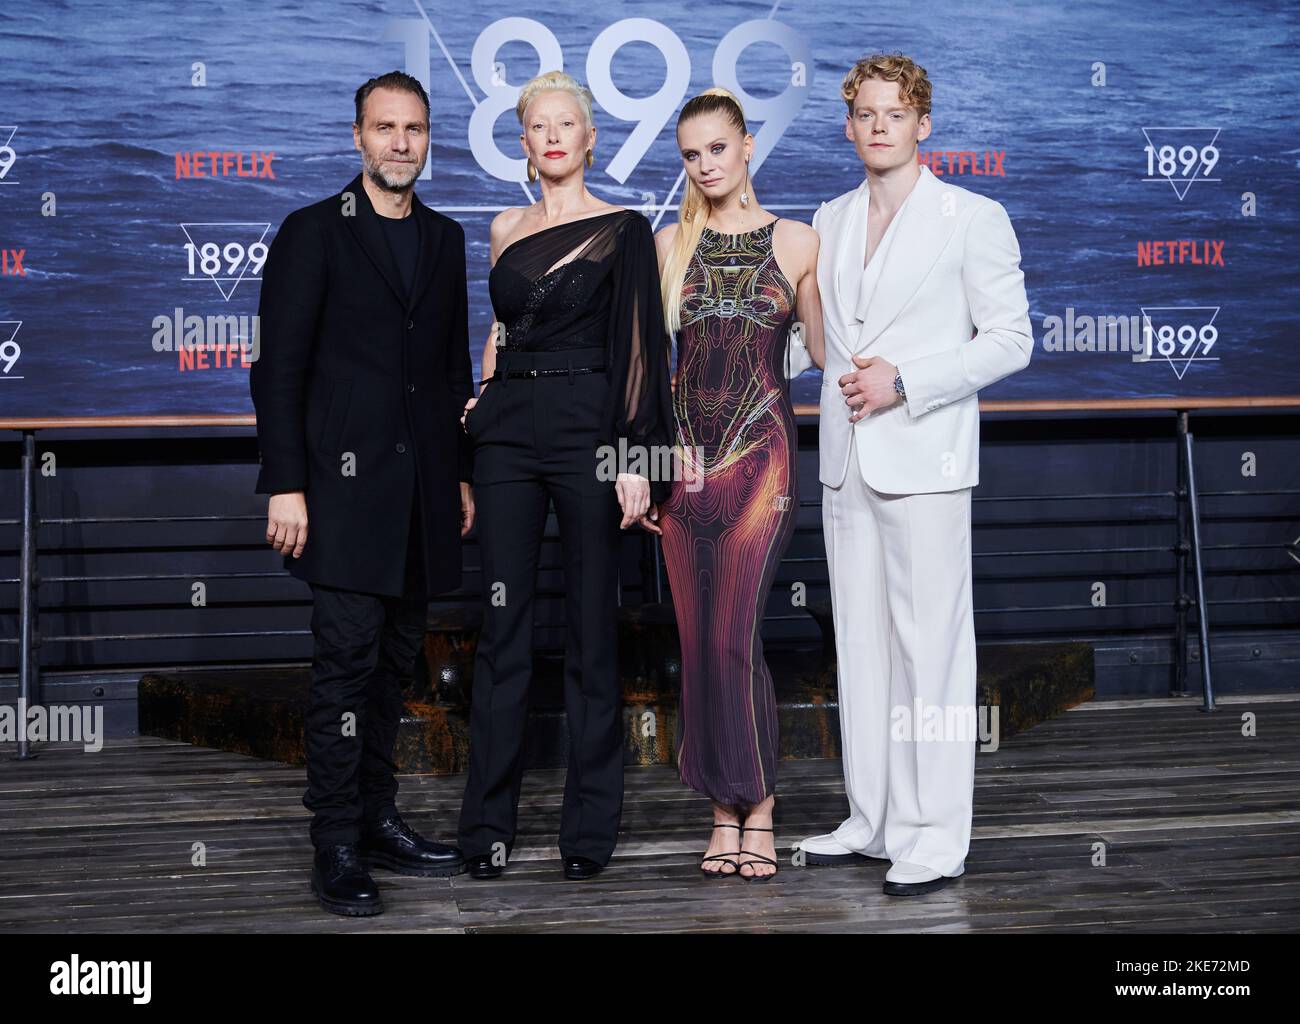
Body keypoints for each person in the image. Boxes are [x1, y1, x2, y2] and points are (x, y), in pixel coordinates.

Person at [798, 53, 1033, 895]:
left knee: (929, 653)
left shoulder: (972, 216)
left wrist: (909, 381)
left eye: (894, 112)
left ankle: (935, 835)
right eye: (863, 113)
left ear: (923, 123)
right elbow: (816, 341)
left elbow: (1011, 341)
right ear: (850, 123)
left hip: (925, 457)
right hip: (846, 461)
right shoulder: (828, 215)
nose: (878, 125)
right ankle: (875, 819)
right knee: (861, 646)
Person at [250, 71, 474, 917]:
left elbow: (450, 369)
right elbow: (278, 372)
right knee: (343, 672)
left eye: (414, 128)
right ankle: (336, 842)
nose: (400, 143)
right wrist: (286, 485)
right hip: (338, 502)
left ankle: (379, 818)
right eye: (385, 128)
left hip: (420, 501)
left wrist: (455, 473)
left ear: (428, 138)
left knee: (391, 672)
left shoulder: (447, 239)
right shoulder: (313, 233)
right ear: (358, 136)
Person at [456, 70, 674, 882]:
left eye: (566, 124)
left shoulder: (625, 228)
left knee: (589, 633)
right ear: (525, 144)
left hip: (590, 430)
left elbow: (645, 352)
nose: (552, 136)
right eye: (537, 126)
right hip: (508, 433)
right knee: (503, 634)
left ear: (590, 139)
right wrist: (479, 407)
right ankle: (485, 833)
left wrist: (636, 461)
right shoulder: (504, 226)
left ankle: (587, 834)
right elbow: (501, 333)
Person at [653, 89, 824, 881]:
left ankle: (758, 804)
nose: (705, 165)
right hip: (685, 468)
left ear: (747, 145)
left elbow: (826, 350)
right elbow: (647, 378)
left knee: (734, 634)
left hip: (764, 463)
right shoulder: (668, 245)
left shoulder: (797, 240)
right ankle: (720, 810)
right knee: (697, 645)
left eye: (717, 149)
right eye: (691, 154)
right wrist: (647, 468)